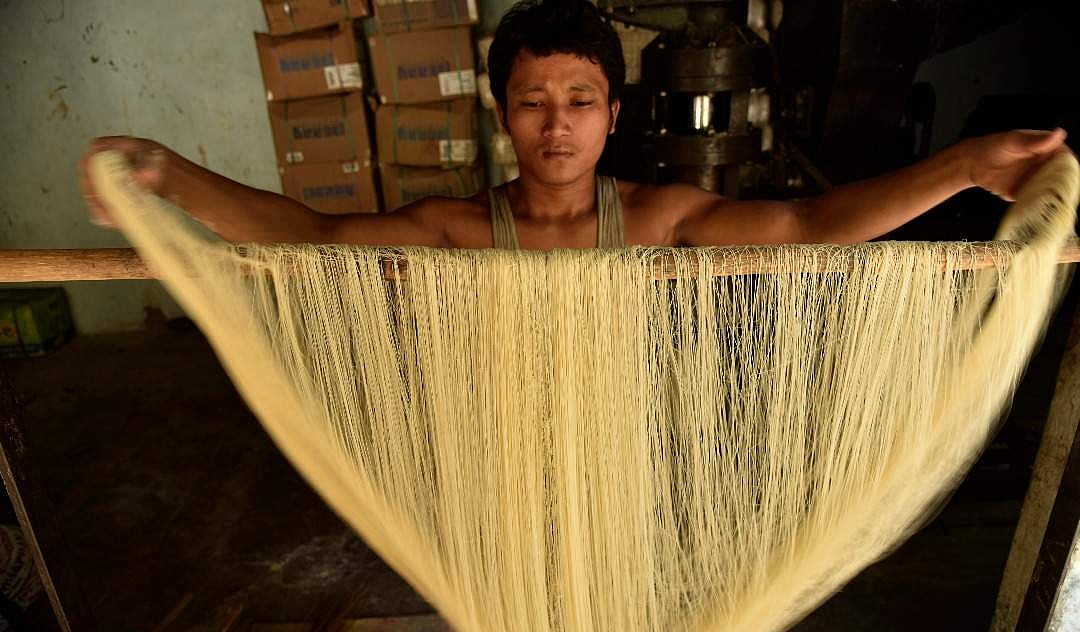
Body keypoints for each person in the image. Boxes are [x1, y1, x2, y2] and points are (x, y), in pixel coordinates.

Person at [80, 0, 1069, 251]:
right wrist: (167, 171)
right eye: (533, 101)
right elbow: (314, 237)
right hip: (504, 462)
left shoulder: (656, 219)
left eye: (580, 100)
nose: (557, 125)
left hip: (625, 457)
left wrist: (967, 165)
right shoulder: (461, 230)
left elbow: (811, 227)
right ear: (504, 116)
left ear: (613, 114)